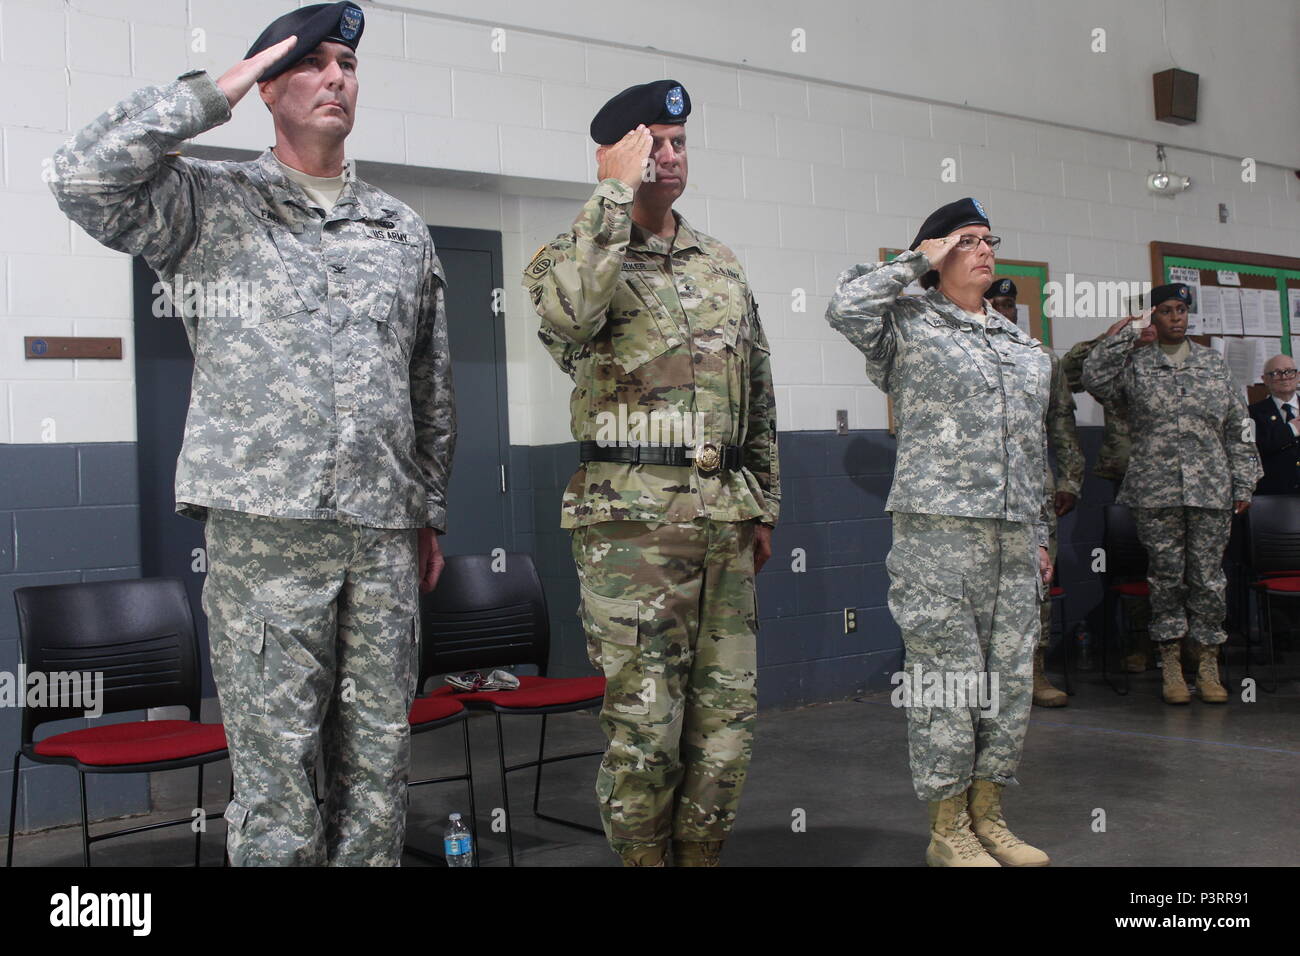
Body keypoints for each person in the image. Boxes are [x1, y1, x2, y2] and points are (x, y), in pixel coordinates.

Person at [48, 1, 456, 865]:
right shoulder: (206, 202)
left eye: (347, 63)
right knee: (275, 779)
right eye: (312, 62)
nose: (336, 77)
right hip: (266, 534)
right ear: (270, 83)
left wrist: (431, 511)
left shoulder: (400, 229)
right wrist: (220, 87)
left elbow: (429, 384)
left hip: (382, 534)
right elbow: (80, 176)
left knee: (380, 770)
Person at [523, 81, 779, 868]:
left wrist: (763, 500)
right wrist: (612, 190)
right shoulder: (569, 258)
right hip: (632, 529)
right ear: (616, 154)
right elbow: (569, 319)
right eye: (651, 144)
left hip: (725, 518)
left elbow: (759, 389)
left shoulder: (720, 263)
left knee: (726, 722)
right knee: (645, 728)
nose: (667, 158)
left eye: (678, 144)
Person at [827, 199, 1052, 867]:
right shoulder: (906, 323)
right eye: (967, 241)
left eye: (989, 241)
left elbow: (1032, 449)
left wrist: (1041, 536)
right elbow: (844, 307)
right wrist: (916, 258)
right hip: (938, 534)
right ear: (936, 251)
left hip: (1013, 534)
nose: (984, 251)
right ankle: (946, 827)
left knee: (1008, 681)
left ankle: (990, 815)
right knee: (947, 682)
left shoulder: (1024, 346)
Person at [1082, 284, 1261, 705]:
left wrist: (1244, 480)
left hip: (1210, 489)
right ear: (1154, 318)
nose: (1177, 317)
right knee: (1164, 578)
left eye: (1182, 310)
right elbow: (1092, 377)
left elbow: (1239, 426)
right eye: (1166, 310)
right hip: (1155, 490)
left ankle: (1207, 663)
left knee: (1207, 579)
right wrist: (1128, 332)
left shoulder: (1213, 366)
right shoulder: (1136, 365)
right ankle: (1171, 666)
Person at [989, 279, 1083, 707]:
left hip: (1033, 492)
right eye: (995, 303)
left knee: (1035, 583)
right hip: (976, 492)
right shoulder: (960, 353)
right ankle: (987, 680)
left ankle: (1035, 671)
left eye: (1009, 304)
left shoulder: (1041, 359)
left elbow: (1061, 422)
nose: (1003, 311)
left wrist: (1069, 480)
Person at [1062, 328, 1155, 672]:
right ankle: (1140, 642)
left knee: (1177, 566)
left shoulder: (1179, 366)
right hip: (1127, 478)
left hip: (1174, 479)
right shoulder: (1115, 366)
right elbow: (1070, 375)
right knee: (1131, 564)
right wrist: (1110, 337)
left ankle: (1183, 644)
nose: (1149, 329)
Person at [1249, 353, 1300, 495]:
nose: (1284, 377)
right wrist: (1290, 430)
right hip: (1273, 496)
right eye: (1276, 373)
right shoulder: (1248, 414)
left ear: (1298, 376)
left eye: (1289, 371)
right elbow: (1248, 453)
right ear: (1264, 379)